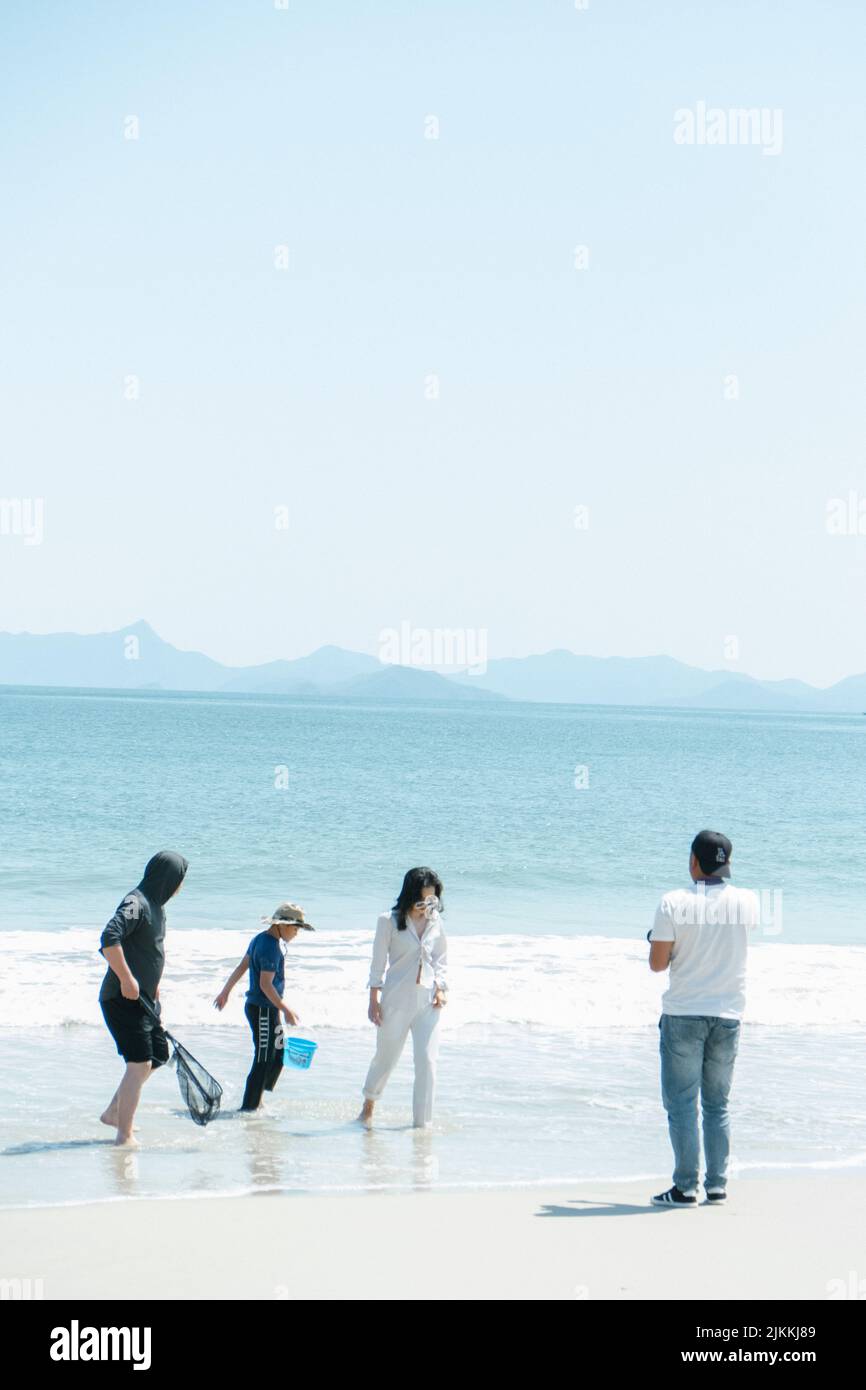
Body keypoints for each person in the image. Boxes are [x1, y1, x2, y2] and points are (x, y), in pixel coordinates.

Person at [648, 830, 759, 1207]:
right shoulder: (748, 901)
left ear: (693, 861)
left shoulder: (673, 902)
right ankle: (717, 1184)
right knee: (717, 1104)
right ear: (727, 863)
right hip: (728, 1014)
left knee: (681, 1103)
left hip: (684, 1013)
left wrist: (655, 939)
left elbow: (657, 964)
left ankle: (685, 1188)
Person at [98, 850, 189, 1146]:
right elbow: (109, 938)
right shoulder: (137, 902)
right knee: (138, 1064)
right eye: (180, 879)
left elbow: (150, 952)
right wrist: (126, 978)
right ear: (168, 878)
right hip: (121, 998)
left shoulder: (158, 908)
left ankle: (115, 1111)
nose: (181, 886)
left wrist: (155, 989)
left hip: (145, 1001)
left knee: (158, 1055)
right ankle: (123, 1135)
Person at [358, 867, 448, 1130]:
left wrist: (441, 988)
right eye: (421, 902)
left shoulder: (435, 922)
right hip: (395, 1002)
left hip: (428, 1003)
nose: (426, 907)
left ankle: (422, 1125)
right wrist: (373, 1000)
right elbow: (378, 965)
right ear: (409, 897)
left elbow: (441, 959)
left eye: (432, 901)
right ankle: (368, 1107)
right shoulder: (388, 921)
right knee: (385, 1058)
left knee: (428, 1063)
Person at [214, 901, 312, 1112]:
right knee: (263, 1057)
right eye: (295, 929)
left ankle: (258, 1098)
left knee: (278, 1052)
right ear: (282, 925)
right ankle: (249, 1107)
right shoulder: (270, 948)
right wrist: (286, 1009)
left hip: (264, 1008)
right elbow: (265, 985)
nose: (296, 934)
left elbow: (242, 966)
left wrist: (225, 991)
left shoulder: (260, 939)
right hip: (263, 1009)